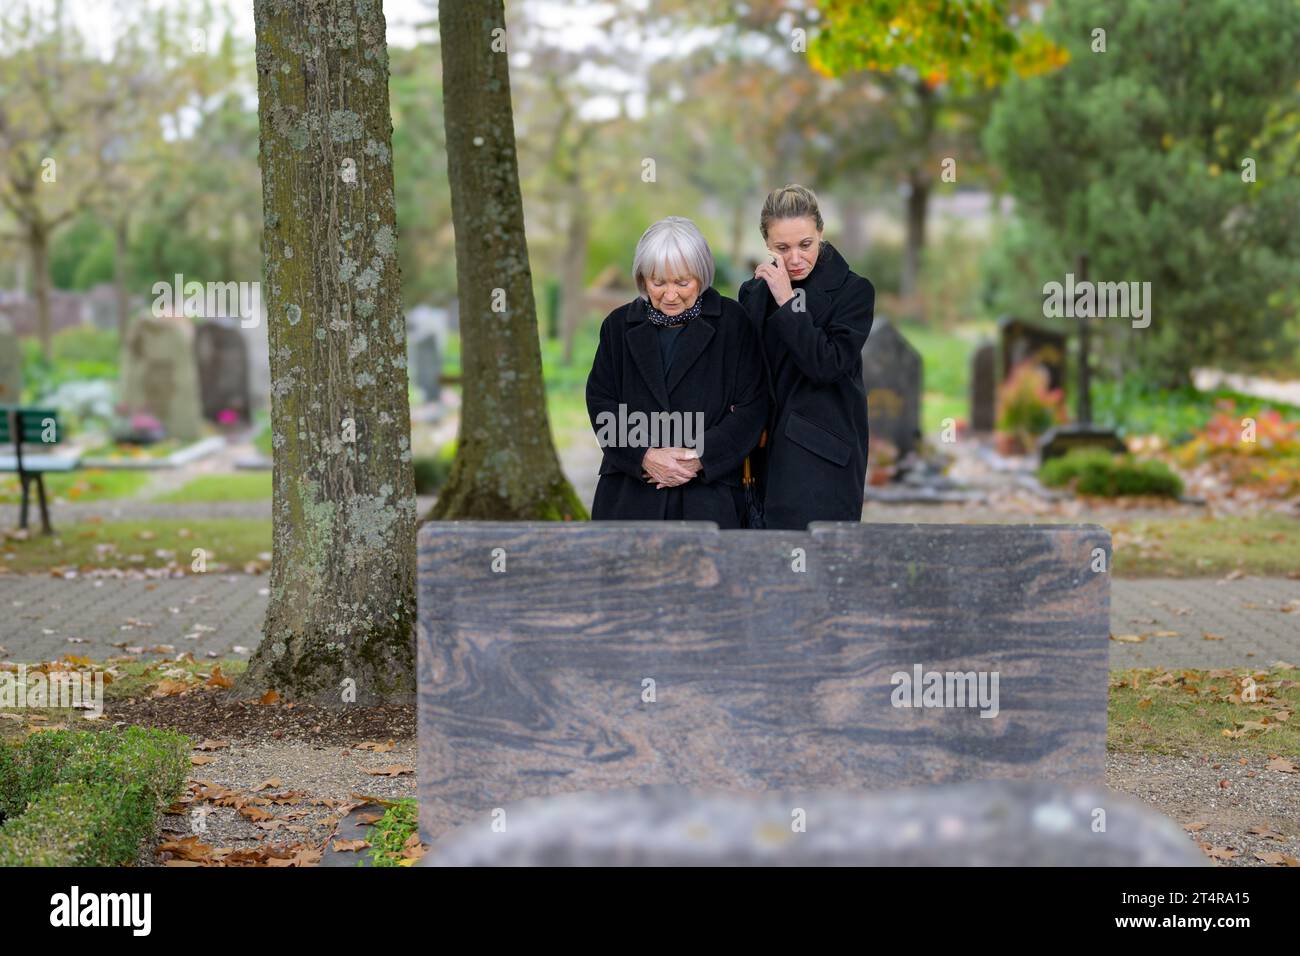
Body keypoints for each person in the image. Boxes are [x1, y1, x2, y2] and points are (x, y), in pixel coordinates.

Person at [586, 217, 767, 526]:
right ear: (643, 279)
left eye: (682, 283)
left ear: (702, 276)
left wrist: (697, 458)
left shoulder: (732, 322)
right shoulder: (617, 326)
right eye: (658, 283)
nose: (670, 295)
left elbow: (753, 407)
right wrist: (643, 455)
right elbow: (602, 401)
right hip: (630, 494)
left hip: (708, 496)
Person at [736, 184, 875, 530]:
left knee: (817, 574)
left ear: (821, 233)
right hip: (761, 456)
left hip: (821, 461)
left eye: (805, 244)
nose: (795, 258)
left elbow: (826, 365)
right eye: (782, 248)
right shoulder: (752, 292)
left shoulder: (853, 293)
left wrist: (787, 302)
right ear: (767, 243)